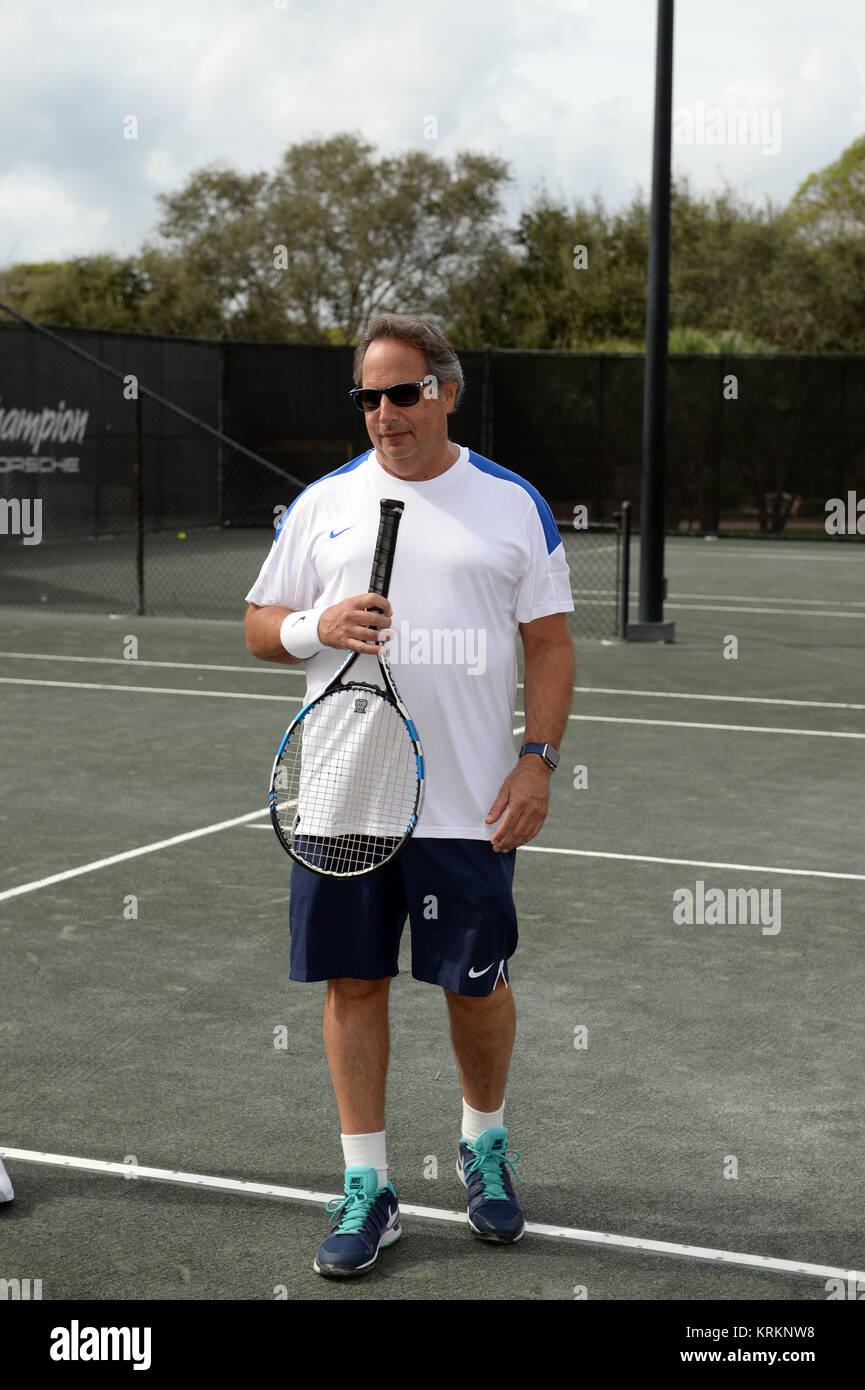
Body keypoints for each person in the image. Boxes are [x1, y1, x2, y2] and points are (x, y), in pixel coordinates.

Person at [245, 313, 574, 1278]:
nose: (385, 414)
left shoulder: (512, 504)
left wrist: (538, 760)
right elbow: (261, 628)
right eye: (368, 398)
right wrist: (317, 622)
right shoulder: (322, 504)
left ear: (446, 391)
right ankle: (367, 1186)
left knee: (474, 986)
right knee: (355, 983)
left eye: (403, 392)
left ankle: (483, 1147)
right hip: (347, 797)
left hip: (470, 800)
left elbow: (549, 643)